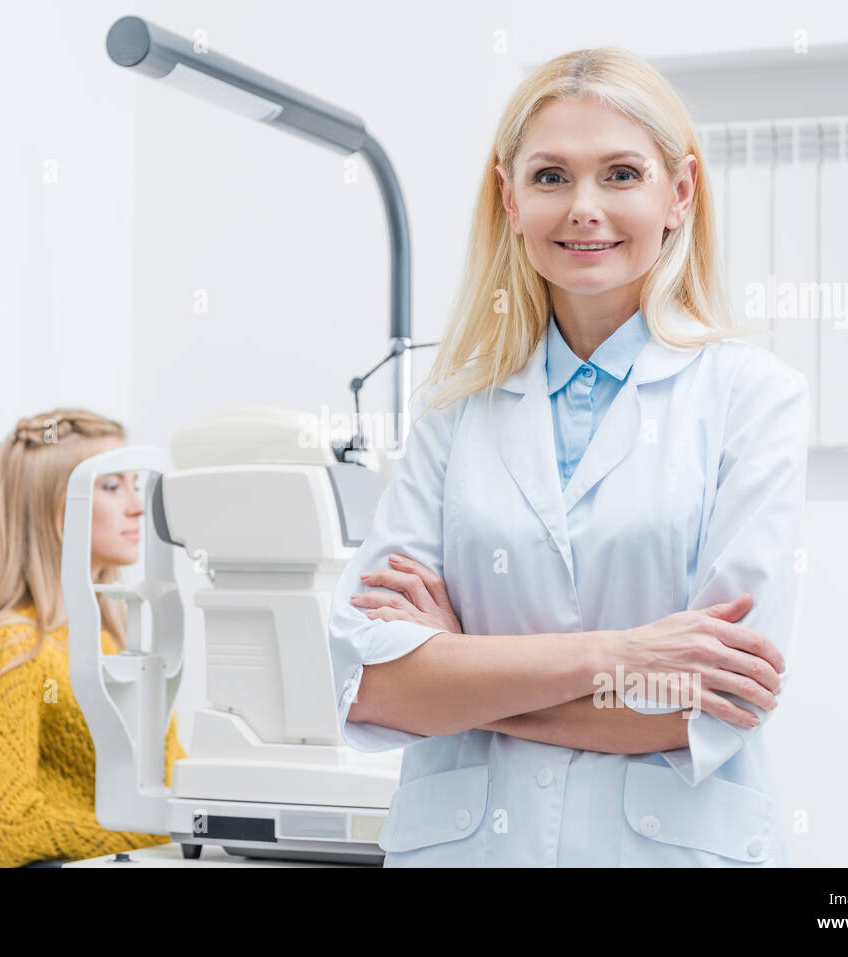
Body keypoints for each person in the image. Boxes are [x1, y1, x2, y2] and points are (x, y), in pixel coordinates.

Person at [328, 47, 809, 867]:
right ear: (510, 198)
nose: (585, 208)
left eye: (621, 174)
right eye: (551, 177)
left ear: (679, 192)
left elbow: (712, 697)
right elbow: (373, 683)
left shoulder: (753, 397)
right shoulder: (453, 409)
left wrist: (461, 678)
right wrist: (622, 656)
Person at [0, 408, 187, 867]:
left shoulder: (112, 637)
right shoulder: (13, 648)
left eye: (135, 485)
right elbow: (5, 829)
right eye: (111, 486)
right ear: (56, 507)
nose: (137, 506)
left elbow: (171, 783)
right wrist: (164, 836)